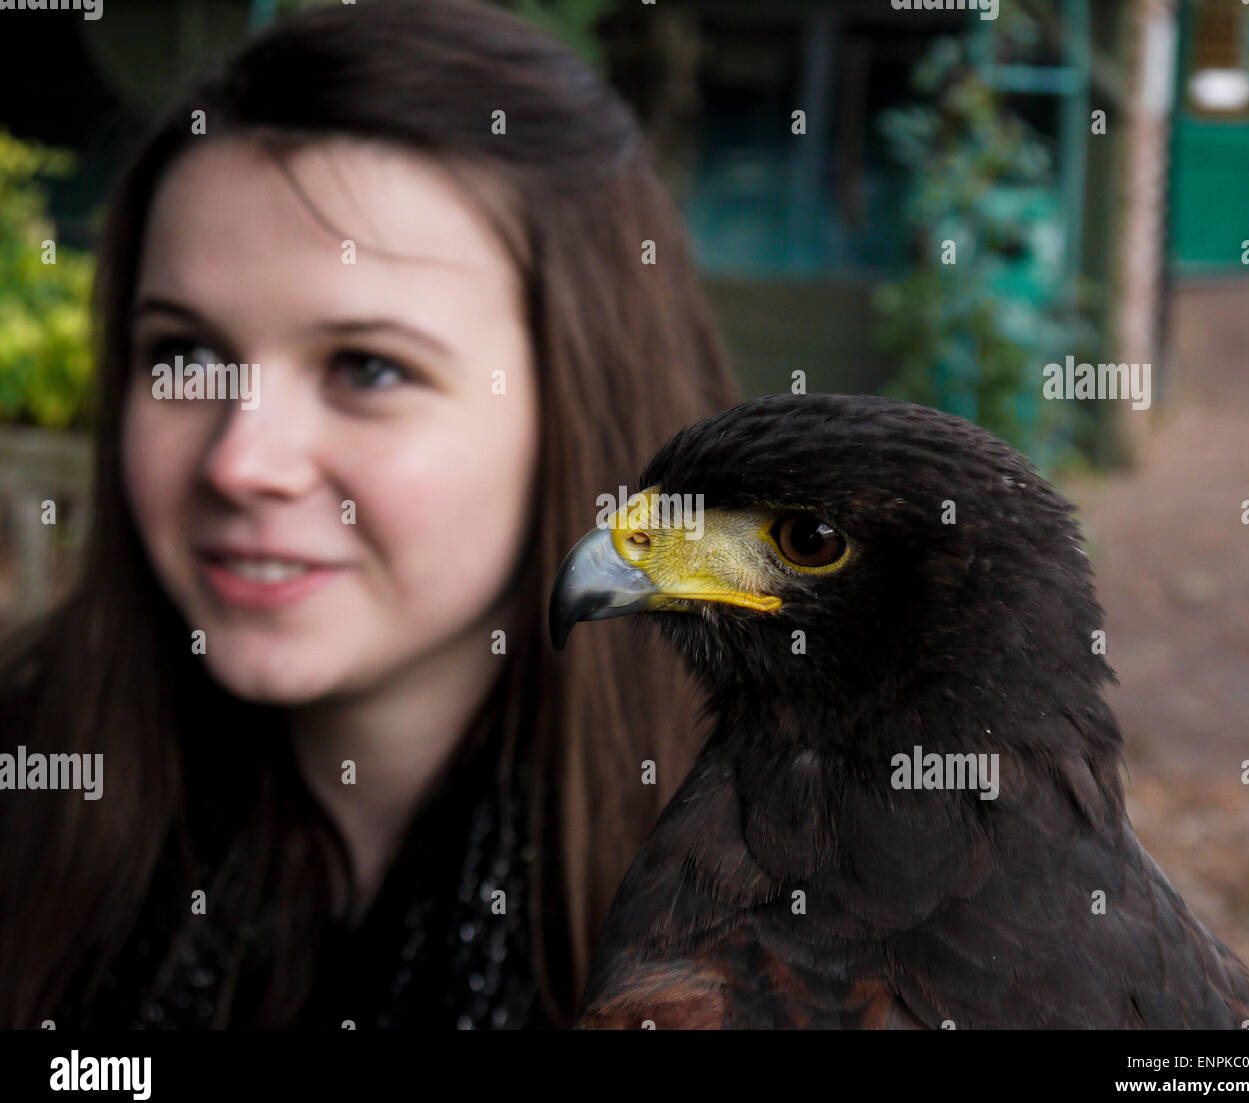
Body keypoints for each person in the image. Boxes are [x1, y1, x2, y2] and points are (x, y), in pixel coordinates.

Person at [0, 0, 736, 1029]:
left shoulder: (809, 929)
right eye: (185, 355)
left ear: (582, 407)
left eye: (367, 367)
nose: (241, 461)